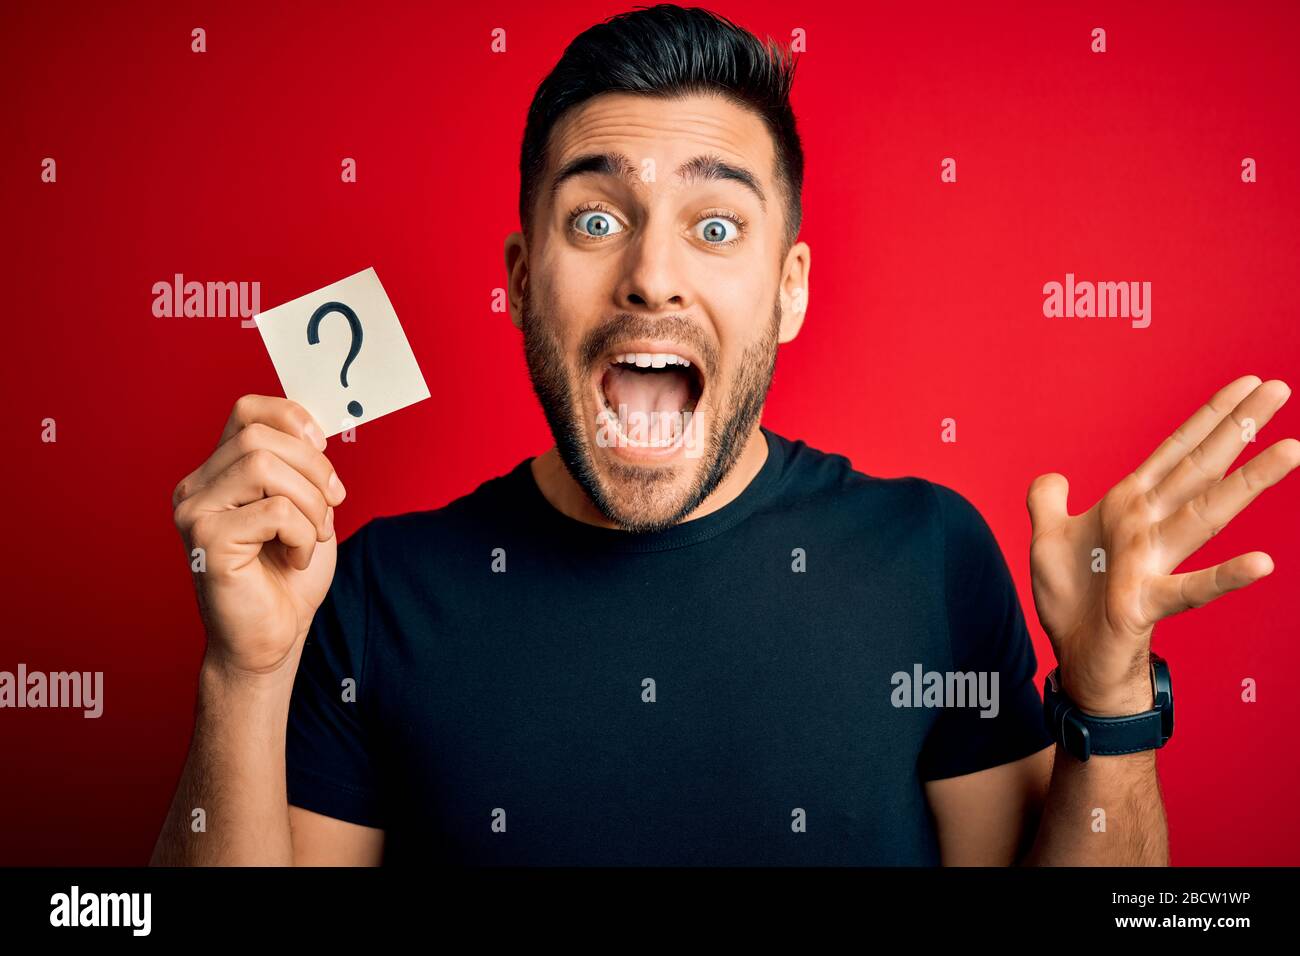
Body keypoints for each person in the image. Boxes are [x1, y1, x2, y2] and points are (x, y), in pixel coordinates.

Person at [151, 5, 1298, 866]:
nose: (651, 275)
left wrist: (1107, 698)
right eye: (595, 219)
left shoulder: (930, 556)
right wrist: (242, 672)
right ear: (517, 281)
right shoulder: (371, 593)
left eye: (713, 224)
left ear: (789, 290)